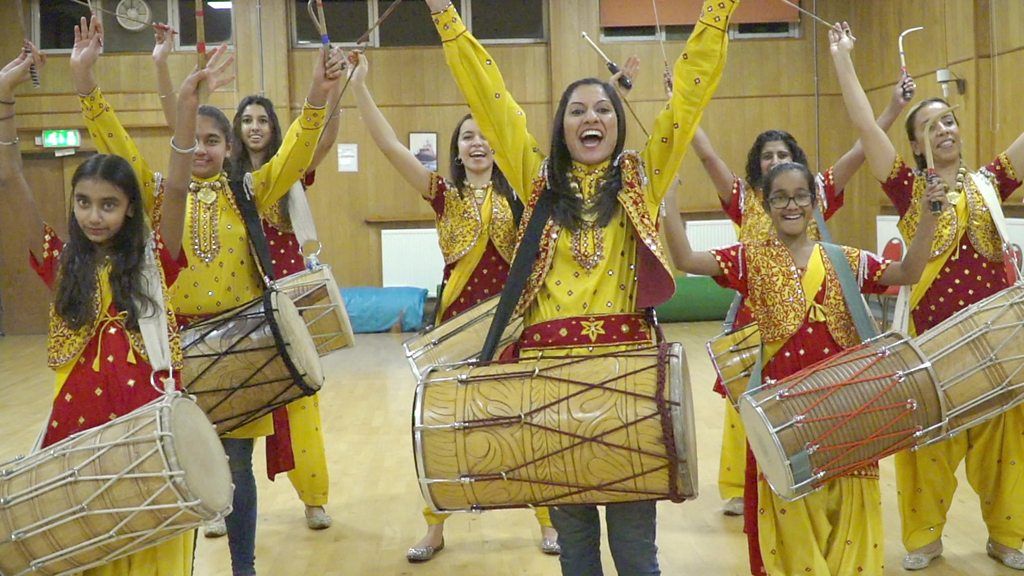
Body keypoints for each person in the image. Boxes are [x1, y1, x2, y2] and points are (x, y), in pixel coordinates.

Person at [424, 0, 737, 573]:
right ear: (560, 127)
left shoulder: (642, 179)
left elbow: (687, 100)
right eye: (576, 110)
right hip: (549, 382)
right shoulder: (534, 178)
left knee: (637, 550)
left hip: (628, 379)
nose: (590, 118)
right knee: (576, 551)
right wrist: (447, 17)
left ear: (618, 123)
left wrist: (719, 10)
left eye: (602, 109)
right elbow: (489, 98)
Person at [70, 16, 345, 576]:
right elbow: (113, 142)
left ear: (229, 147)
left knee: (238, 468)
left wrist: (319, 93)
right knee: (184, 468)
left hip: (243, 346)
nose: (201, 149)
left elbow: (295, 149)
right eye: (192, 139)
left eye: (212, 140)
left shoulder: (252, 190)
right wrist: (83, 81)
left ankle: (242, 568)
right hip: (173, 352)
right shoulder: (153, 192)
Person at [0, 41, 229, 576]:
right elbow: (10, 178)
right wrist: (4, 98)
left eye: (109, 204)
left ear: (130, 210)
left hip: (151, 434)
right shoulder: (58, 261)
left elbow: (175, 186)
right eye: (84, 202)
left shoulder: (156, 262)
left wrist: (188, 112)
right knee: (83, 554)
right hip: (76, 436)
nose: (94, 216)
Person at [663, 161, 943, 575]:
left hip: (844, 415)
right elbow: (686, 258)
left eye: (799, 196)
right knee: (793, 524)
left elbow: (908, 272)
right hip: (783, 421)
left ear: (814, 203)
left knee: (849, 521)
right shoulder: (751, 260)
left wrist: (931, 217)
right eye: (780, 197)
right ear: (766, 204)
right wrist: (668, 201)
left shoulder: (843, 259)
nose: (790, 205)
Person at [348, 50, 558, 562]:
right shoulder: (442, 195)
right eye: (468, 136)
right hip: (455, 329)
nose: (479, 142)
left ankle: (548, 520)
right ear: (457, 151)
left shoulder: (526, 195)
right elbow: (388, 144)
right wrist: (359, 87)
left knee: (525, 419)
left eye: (485, 134)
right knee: (441, 428)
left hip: (511, 328)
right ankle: (435, 527)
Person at [829, 21, 1024, 571]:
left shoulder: (991, 181)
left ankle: (1008, 532)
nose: (943, 129)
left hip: (998, 347)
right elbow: (866, 125)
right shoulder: (908, 188)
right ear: (915, 144)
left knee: (1006, 442)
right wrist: (843, 58)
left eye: (949, 120)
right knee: (928, 447)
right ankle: (923, 536)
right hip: (933, 346)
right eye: (930, 125)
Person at [152, 24, 343, 533]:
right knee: (209, 431)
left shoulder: (267, 181)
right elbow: (165, 141)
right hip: (204, 326)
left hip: (270, 313)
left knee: (290, 414)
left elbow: (311, 142)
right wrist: (160, 71)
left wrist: (327, 94)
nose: (255, 127)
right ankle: (217, 506)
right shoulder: (192, 188)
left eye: (262, 120)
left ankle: (309, 502)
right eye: (247, 120)